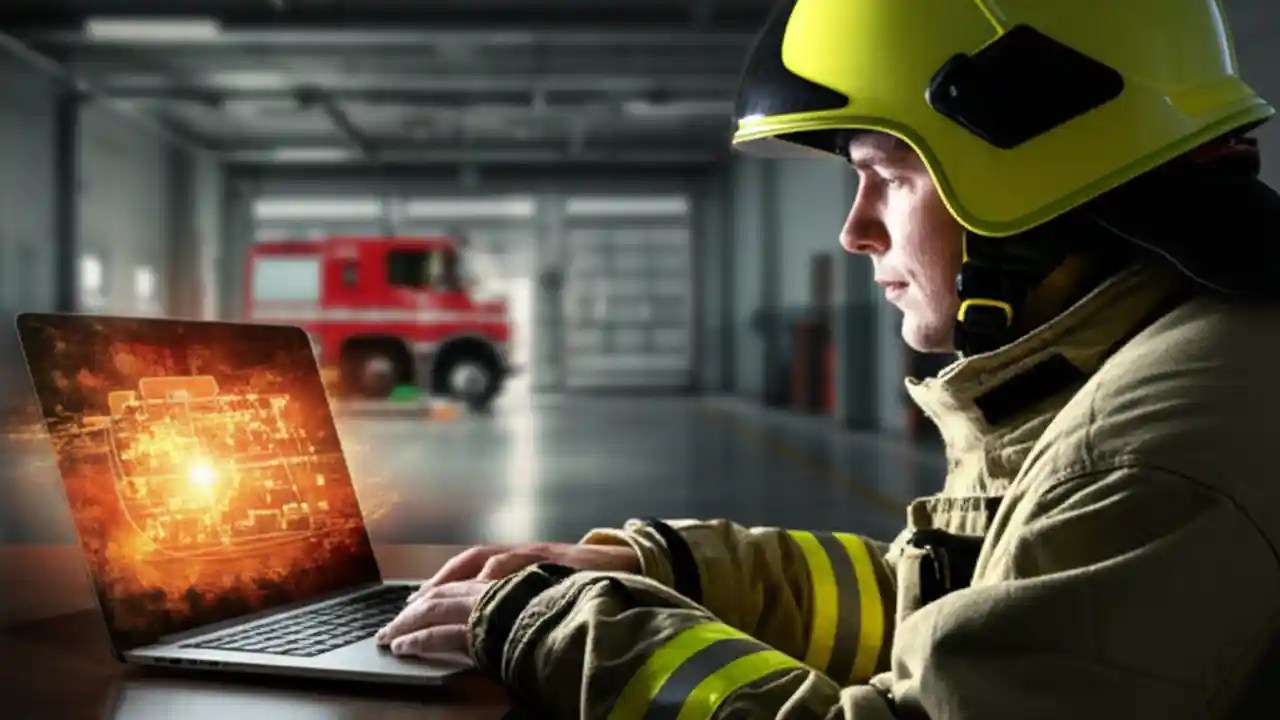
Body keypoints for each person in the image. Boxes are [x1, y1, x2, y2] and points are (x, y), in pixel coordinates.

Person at [377, 0, 1280, 716]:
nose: (855, 230)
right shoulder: (1168, 359)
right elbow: (956, 607)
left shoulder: (1148, 459)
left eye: (889, 175)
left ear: (1036, 171)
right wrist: (675, 571)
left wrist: (568, 632)